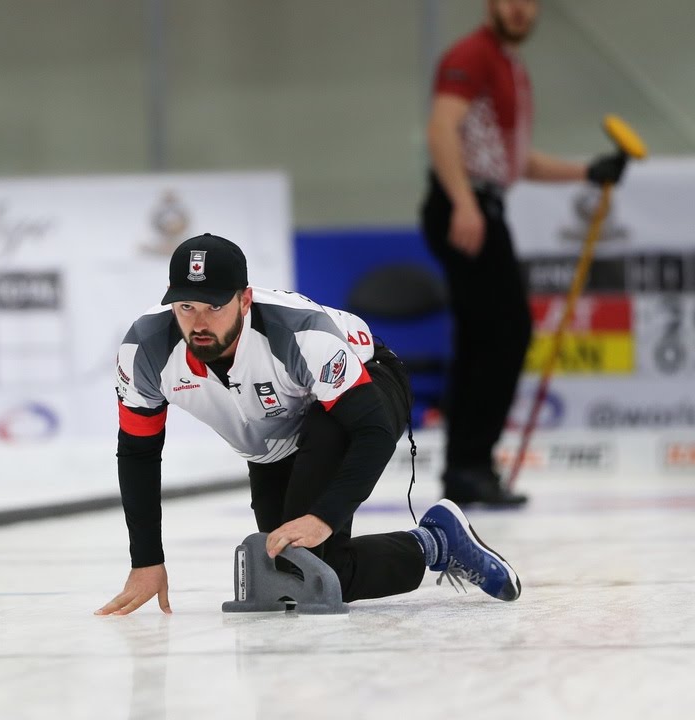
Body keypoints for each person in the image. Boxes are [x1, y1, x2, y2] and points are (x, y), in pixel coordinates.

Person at [96, 234, 521, 616]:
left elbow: (371, 432)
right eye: (186, 306)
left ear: (244, 301)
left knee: (316, 559)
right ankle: (434, 541)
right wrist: (146, 560)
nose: (200, 323)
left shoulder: (297, 333)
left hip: (363, 387)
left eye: (215, 306)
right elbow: (138, 452)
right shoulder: (145, 351)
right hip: (275, 437)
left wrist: (323, 516)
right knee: (295, 573)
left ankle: (437, 545)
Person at [422, 0, 627, 506]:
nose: (520, 9)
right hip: (465, 208)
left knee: (483, 338)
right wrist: (465, 204)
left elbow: (511, 162)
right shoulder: (473, 54)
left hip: (480, 205)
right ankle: (470, 463)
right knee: (505, 332)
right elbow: (440, 128)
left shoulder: (510, 65)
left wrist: (585, 171)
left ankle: (466, 468)